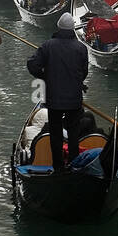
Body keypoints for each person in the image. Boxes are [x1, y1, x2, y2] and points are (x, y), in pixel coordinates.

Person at [26, 12, 88, 171]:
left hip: (54, 100)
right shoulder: (81, 48)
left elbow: (32, 65)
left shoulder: (47, 45)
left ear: (58, 28)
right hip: (74, 99)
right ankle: (74, 165)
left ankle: (58, 167)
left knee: (55, 133)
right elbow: (84, 72)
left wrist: (45, 76)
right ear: (73, 30)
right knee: (74, 133)